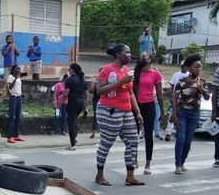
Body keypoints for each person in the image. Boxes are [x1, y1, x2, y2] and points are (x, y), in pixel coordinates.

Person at [94, 43, 144, 186]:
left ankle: (130, 176)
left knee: (133, 141)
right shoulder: (107, 70)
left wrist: (137, 112)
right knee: (106, 143)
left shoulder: (128, 71)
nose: (129, 55)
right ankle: (99, 175)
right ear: (117, 55)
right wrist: (120, 82)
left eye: (130, 53)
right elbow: (99, 90)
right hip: (109, 110)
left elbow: (130, 92)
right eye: (126, 52)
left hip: (126, 111)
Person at [171, 54, 206, 175]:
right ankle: (177, 164)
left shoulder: (201, 81)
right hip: (183, 113)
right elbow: (174, 99)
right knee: (180, 138)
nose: (198, 69)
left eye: (200, 67)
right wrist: (174, 114)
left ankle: (182, 162)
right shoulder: (181, 82)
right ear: (190, 68)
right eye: (196, 67)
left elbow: (206, 97)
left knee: (188, 140)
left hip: (195, 113)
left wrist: (202, 89)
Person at [133, 52, 164, 174]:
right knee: (134, 134)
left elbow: (160, 94)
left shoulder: (155, 74)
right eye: (141, 56)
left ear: (151, 60)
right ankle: (134, 160)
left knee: (148, 135)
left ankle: (147, 163)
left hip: (149, 105)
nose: (142, 58)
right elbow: (132, 91)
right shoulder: (136, 71)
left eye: (145, 56)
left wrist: (161, 112)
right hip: (136, 105)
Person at [64, 63, 88, 150]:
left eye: (69, 69)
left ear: (72, 70)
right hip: (81, 103)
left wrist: (59, 104)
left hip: (73, 102)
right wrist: (85, 106)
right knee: (73, 120)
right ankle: (75, 138)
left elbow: (65, 94)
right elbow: (86, 94)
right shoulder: (82, 80)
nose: (68, 71)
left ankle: (73, 144)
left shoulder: (69, 80)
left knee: (70, 123)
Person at [5, 65, 25, 143]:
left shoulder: (19, 77)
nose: (19, 70)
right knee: (12, 116)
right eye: (17, 69)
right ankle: (10, 136)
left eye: (19, 69)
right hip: (13, 97)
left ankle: (16, 135)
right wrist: (15, 78)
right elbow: (10, 87)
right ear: (13, 70)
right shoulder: (11, 77)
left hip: (19, 96)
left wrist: (21, 93)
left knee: (18, 116)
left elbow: (18, 87)